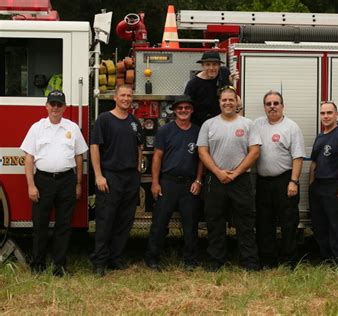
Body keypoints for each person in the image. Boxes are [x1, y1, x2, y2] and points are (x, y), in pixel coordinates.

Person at [20, 90, 88, 276]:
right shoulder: (37, 128)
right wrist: (31, 185)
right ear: (46, 106)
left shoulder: (72, 128)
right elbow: (28, 158)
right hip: (43, 181)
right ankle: (38, 265)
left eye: (59, 105)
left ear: (65, 107)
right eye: (53, 104)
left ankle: (59, 266)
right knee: (40, 225)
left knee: (64, 225)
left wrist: (78, 183)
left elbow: (79, 156)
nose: (55, 108)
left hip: (67, 180)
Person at [197, 87, 261, 271]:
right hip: (215, 179)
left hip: (240, 180)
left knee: (245, 222)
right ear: (219, 102)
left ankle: (249, 262)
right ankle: (215, 261)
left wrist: (237, 172)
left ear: (237, 102)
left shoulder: (248, 124)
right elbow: (202, 151)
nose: (227, 103)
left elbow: (255, 151)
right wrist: (217, 172)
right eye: (224, 100)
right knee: (215, 222)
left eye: (231, 100)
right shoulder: (209, 125)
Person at [144, 95, 204, 271]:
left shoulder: (198, 131)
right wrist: (155, 183)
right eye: (180, 108)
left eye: (187, 108)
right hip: (168, 183)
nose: (183, 111)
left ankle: (190, 261)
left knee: (190, 225)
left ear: (192, 110)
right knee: (160, 223)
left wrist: (199, 180)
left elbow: (201, 158)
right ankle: (152, 258)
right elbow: (157, 157)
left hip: (189, 184)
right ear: (174, 111)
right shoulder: (165, 131)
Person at [90, 84, 143, 277]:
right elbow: (95, 147)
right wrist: (98, 175)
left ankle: (115, 258)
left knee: (124, 221)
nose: (126, 99)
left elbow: (139, 146)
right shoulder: (104, 119)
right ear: (115, 97)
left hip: (130, 177)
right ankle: (99, 262)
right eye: (122, 95)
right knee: (105, 220)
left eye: (129, 96)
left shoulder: (135, 122)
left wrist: (138, 168)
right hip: (110, 176)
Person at [254, 90, 305, 268]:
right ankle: (268, 261)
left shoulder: (291, 127)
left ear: (283, 106)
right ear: (264, 107)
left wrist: (294, 181)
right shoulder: (257, 124)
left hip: (285, 181)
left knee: (288, 223)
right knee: (264, 223)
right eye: (269, 104)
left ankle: (289, 261)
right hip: (263, 182)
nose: (272, 107)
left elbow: (298, 157)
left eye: (276, 103)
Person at [309, 101, 338, 267]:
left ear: (337, 115)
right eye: (323, 113)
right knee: (320, 225)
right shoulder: (320, 137)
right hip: (319, 187)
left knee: (337, 226)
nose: (326, 116)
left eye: (329, 113)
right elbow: (314, 163)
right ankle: (327, 260)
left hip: (335, 185)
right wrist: (311, 185)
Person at [184, 50, 238, 126]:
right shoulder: (193, 84)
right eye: (208, 64)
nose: (211, 68)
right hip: (200, 125)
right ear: (202, 66)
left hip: (222, 124)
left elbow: (231, 95)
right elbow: (186, 107)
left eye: (215, 64)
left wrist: (231, 83)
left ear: (219, 65)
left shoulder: (224, 74)